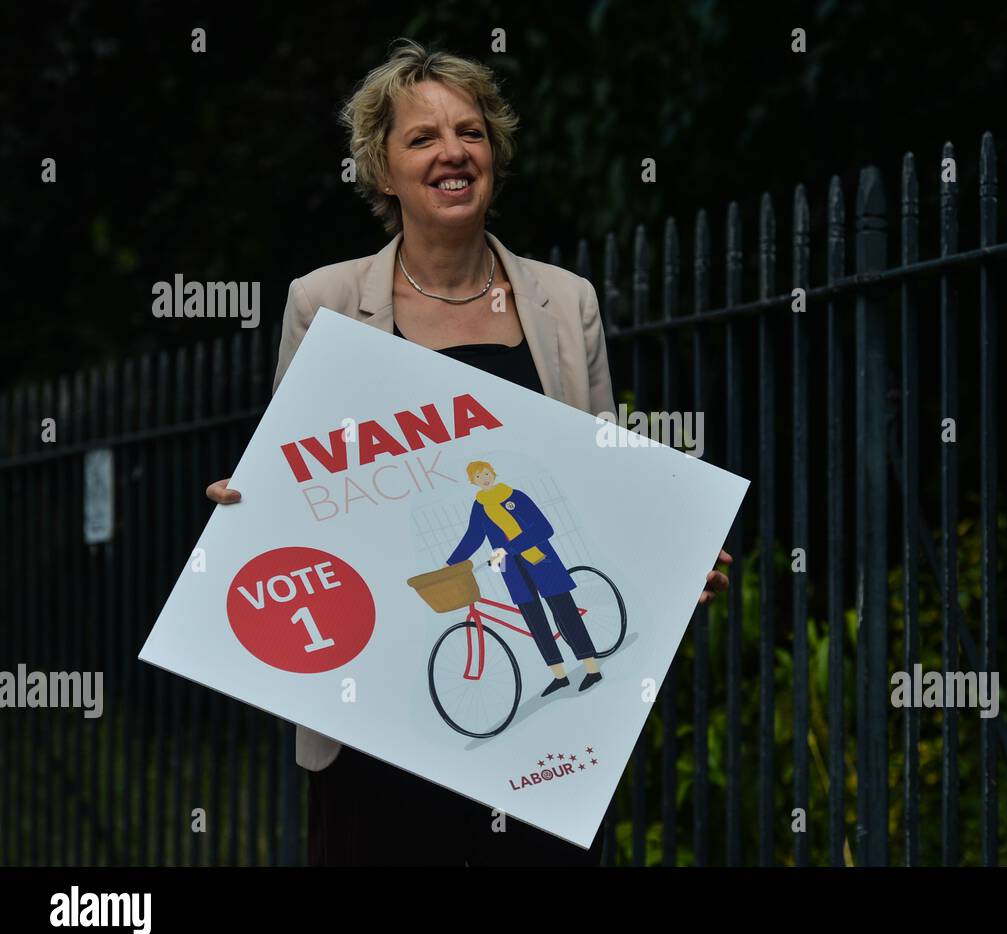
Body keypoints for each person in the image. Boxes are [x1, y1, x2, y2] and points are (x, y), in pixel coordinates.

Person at [205, 39, 731, 865]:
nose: (453, 152)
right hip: (376, 710)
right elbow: (300, 493)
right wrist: (251, 505)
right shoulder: (326, 303)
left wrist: (662, 564)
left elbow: (600, 478)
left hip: (544, 746)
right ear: (382, 170)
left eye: (471, 132)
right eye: (423, 138)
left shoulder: (566, 304)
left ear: (494, 153)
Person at [450, 460, 602, 695]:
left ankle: (592, 669)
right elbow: (473, 536)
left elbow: (543, 528)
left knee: (564, 611)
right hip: (510, 568)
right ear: (473, 482)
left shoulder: (515, 496)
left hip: (540, 559)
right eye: (478, 477)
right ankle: (559, 676)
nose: (484, 479)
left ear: (494, 472)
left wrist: (510, 548)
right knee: (534, 620)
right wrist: (451, 564)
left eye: (486, 473)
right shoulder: (479, 506)